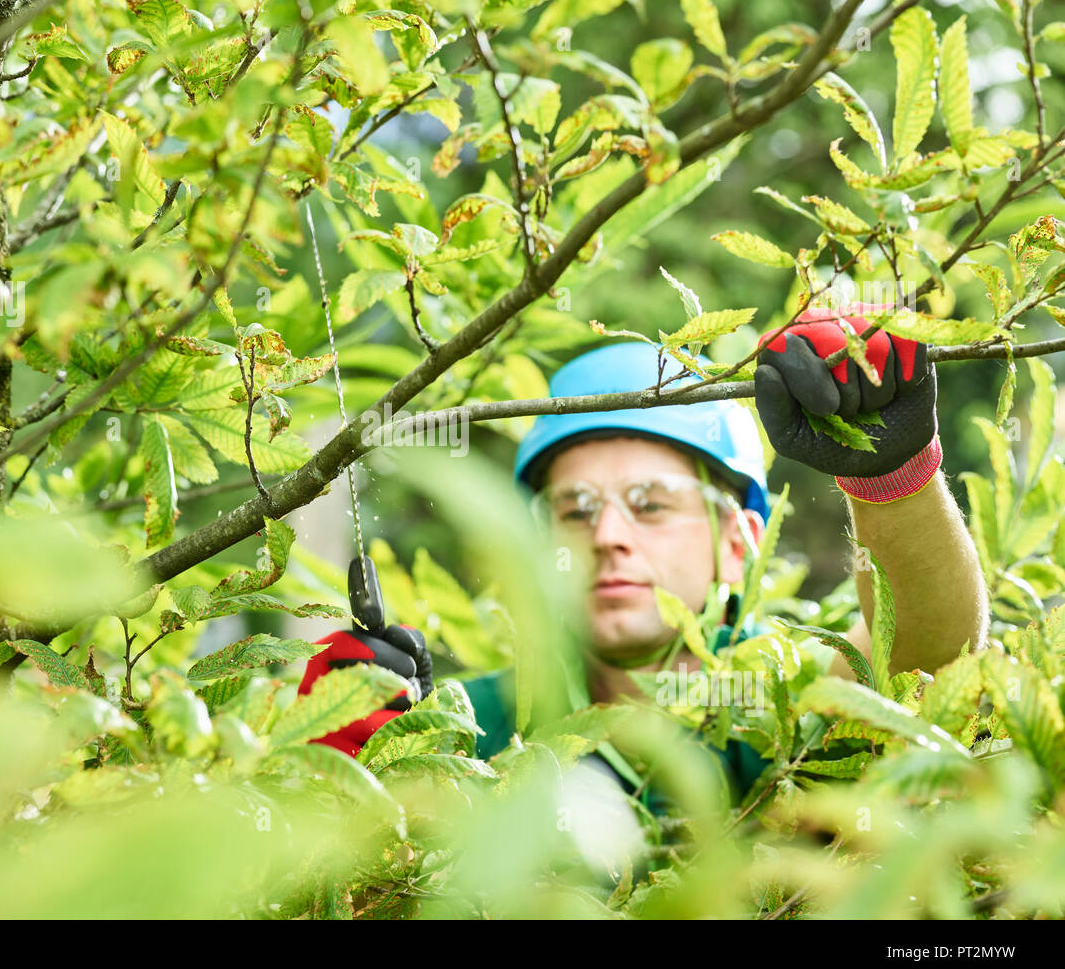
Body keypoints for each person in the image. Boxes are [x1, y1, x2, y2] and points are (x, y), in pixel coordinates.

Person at [295, 308, 990, 809]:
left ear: (739, 543)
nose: (607, 536)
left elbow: (927, 658)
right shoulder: (463, 727)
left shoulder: (786, 701)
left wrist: (893, 478)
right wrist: (342, 770)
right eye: (575, 509)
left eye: (651, 502)